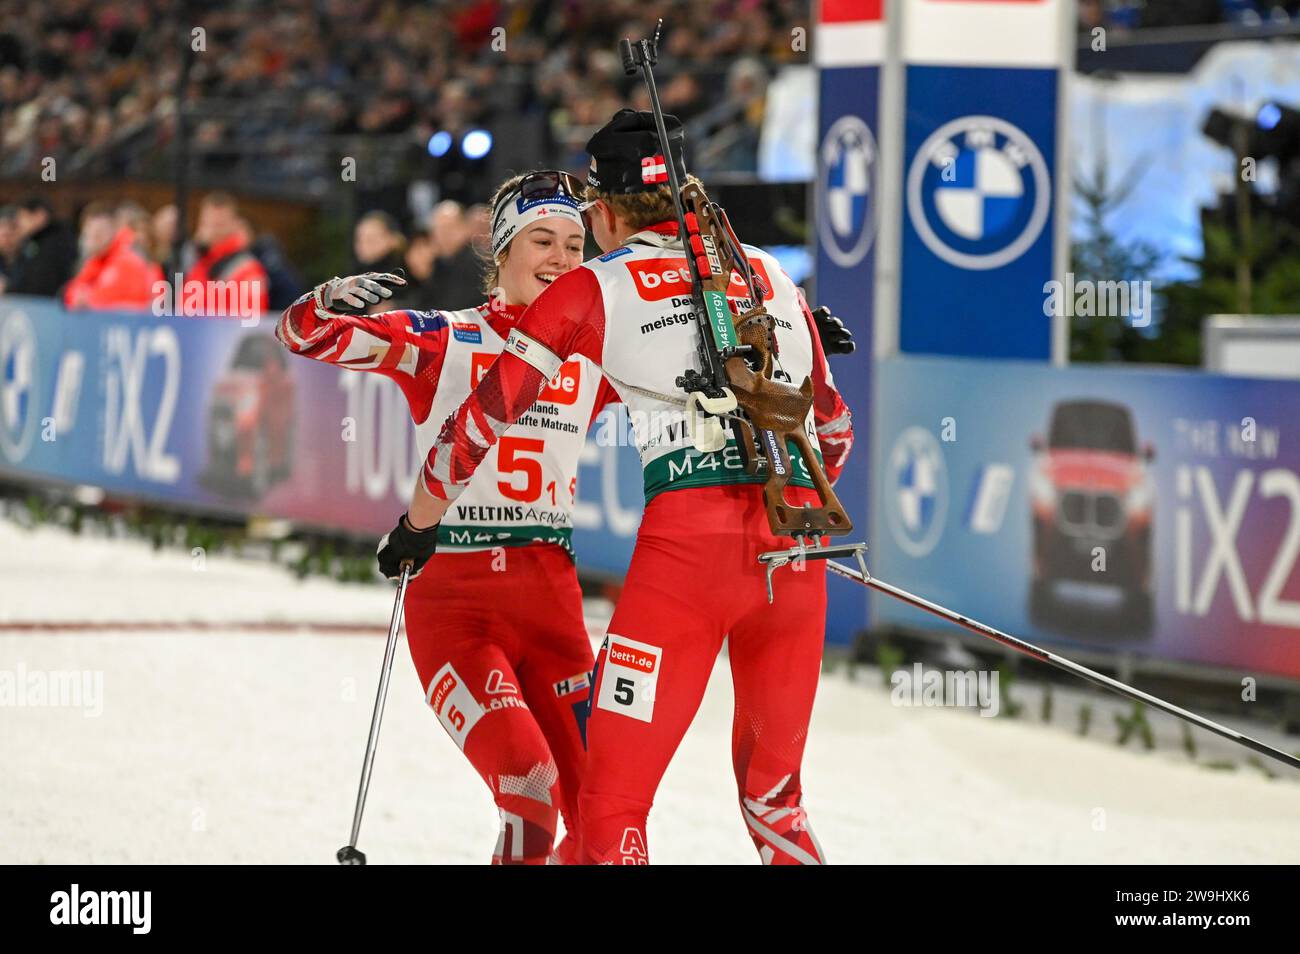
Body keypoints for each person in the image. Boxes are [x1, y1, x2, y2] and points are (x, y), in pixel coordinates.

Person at [380, 109, 855, 865]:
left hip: (688, 559)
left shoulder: (594, 286)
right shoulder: (770, 273)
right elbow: (834, 437)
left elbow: (478, 425)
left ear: (601, 213)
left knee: (609, 806)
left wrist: (417, 524)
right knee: (776, 803)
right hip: (795, 556)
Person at [278, 170, 619, 864]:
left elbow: (701, 371)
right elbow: (301, 336)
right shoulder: (446, 340)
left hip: (554, 606)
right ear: (501, 252)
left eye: (574, 245)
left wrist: (794, 344)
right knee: (529, 796)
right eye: (542, 240)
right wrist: (326, 300)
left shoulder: (594, 355)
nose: (560, 259)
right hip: (458, 605)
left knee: (601, 819)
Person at [63, 200, 164, 311]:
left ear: (114, 230)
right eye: (89, 233)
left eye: (99, 233)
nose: (93, 238)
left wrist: (88, 299)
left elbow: (115, 300)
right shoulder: (96, 260)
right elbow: (73, 290)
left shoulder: (129, 259)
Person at [185, 192, 270, 318]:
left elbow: (252, 318)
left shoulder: (247, 268)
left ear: (233, 224)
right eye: (207, 224)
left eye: (219, 225)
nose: (211, 232)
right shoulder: (197, 259)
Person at [6, 197, 77, 297]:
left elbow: (39, 282)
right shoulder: (35, 241)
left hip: (45, 307)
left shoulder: (55, 243)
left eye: (23, 217)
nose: (19, 223)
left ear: (40, 215)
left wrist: (8, 289)